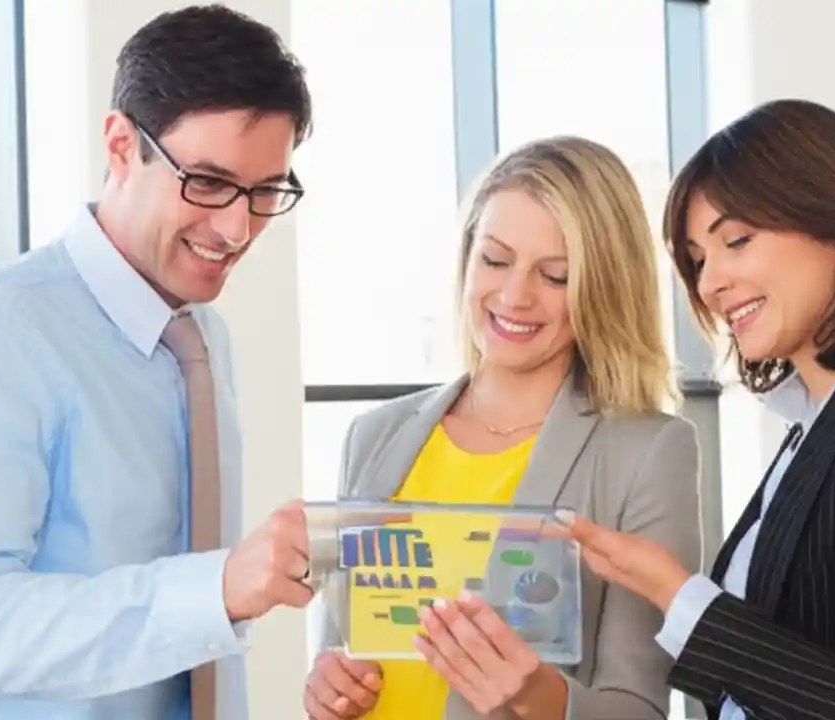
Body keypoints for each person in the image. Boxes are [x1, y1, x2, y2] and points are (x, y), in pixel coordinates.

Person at [0, 6, 314, 719]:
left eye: (264, 191)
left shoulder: (206, 342)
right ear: (122, 145)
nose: (237, 228)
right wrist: (214, 590)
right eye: (208, 182)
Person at [564, 98, 835, 720]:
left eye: (736, 241)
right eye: (697, 261)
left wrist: (680, 595)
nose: (710, 283)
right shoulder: (814, 423)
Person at [302, 136, 706, 720]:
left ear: (602, 284)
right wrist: (329, 688)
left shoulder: (647, 452)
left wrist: (537, 698)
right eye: (494, 259)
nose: (514, 295)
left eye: (556, 275)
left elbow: (640, 707)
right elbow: (342, 649)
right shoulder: (375, 436)